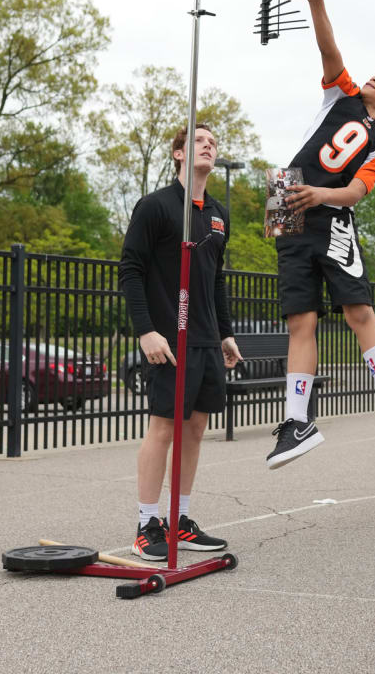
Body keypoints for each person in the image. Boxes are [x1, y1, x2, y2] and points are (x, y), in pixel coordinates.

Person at [266, 0, 375, 469]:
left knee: (357, 311)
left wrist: (321, 196)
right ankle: (297, 421)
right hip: (289, 199)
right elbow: (327, 47)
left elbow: (355, 193)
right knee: (299, 319)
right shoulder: (344, 94)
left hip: (328, 213)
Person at [118, 124, 243, 561]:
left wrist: (225, 333)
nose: (208, 145)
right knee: (165, 427)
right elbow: (130, 270)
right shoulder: (154, 207)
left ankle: (180, 518)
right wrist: (145, 330)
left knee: (195, 429)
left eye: (213, 142)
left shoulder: (218, 214)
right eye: (198, 141)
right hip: (169, 337)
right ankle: (146, 523)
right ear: (177, 154)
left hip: (206, 339)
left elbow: (216, 280)